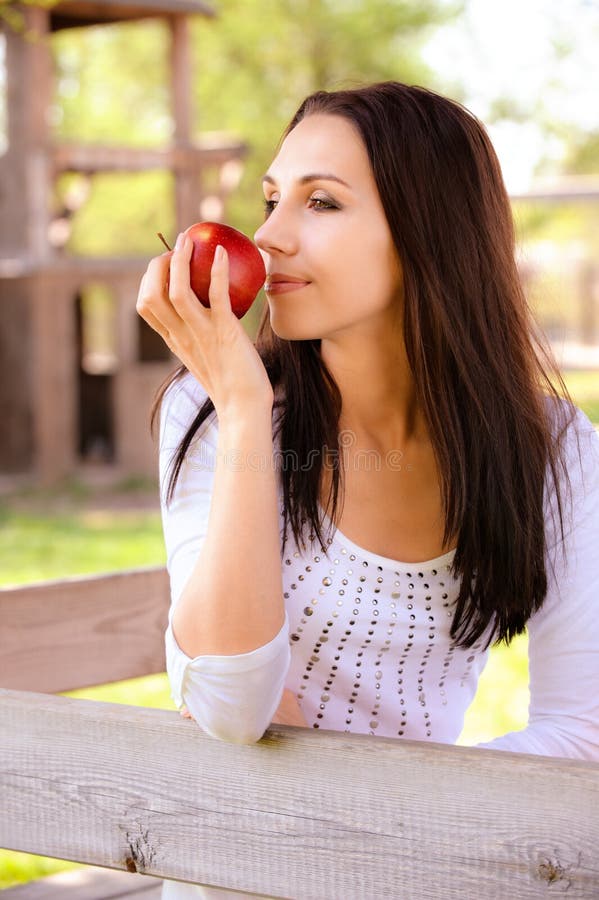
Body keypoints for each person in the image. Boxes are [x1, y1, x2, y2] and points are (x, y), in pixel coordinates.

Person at [136, 82, 599, 899]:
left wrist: (350, 799)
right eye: (272, 199)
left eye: (320, 202)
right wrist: (242, 408)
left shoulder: (554, 451)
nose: (268, 236)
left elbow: (583, 736)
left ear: (428, 232)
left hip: (416, 875)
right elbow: (233, 706)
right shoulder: (211, 409)